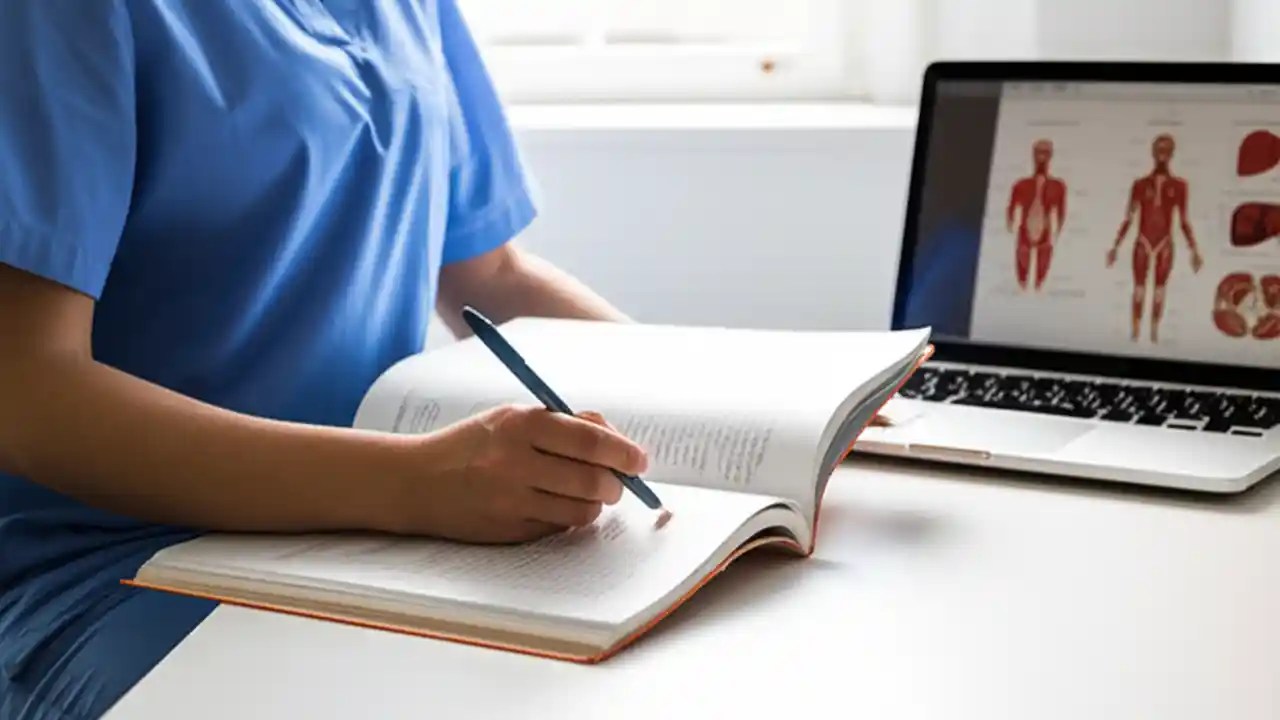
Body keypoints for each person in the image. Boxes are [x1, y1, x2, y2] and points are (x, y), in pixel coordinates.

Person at [0, 2, 651, 718]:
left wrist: (716, 389)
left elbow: (492, 274)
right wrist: (419, 481)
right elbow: (26, 395)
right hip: (118, 566)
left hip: (380, 539)